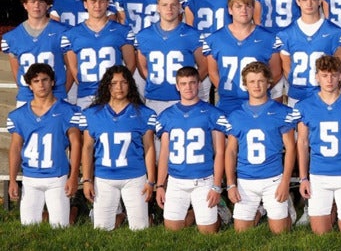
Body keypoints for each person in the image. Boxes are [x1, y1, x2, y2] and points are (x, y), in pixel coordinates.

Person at [291, 55, 341, 236]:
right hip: (319, 175)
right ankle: (330, 210)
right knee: (320, 234)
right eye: (324, 75)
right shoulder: (305, 106)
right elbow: (302, 143)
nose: (329, 80)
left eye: (333, 75)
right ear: (316, 77)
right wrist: (303, 178)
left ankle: (338, 209)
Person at [79, 66, 156, 230]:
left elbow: (149, 147)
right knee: (101, 229)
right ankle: (121, 216)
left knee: (140, 229)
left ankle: (146, 217)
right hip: (104, 177)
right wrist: (86, 179)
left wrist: (150, 181)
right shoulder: (92, 114)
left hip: (135, 177)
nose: (119, 87)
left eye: (123, 82)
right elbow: (87, 148)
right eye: (114, 83)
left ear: (130, 85)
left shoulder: (144, 113)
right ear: (107, 86)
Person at [155, 66, 229, 234]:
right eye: (183, 83)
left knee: (208, 232)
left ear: (199, 84)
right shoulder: (167, 115)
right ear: (177, 86)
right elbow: (165, 152)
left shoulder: (213, 113)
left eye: (192, 83)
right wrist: (160, 185)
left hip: (203, 179)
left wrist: (217, 186)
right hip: (176, 180)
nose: (188, 87)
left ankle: (219, 212)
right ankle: (196, 212)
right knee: (172, 230)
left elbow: (220, 152)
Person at [6, 63, 82, 227]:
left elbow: (76, 144)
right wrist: (12, 179)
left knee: (60, 228)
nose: (41, 84)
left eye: (45, 80)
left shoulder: (68, 110)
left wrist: (74, 175)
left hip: (57, 177)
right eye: (36, 81)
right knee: (28, 228)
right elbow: (15, 147)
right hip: (30, 178)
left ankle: (73, 213)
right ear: (30, 85)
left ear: (53, 82)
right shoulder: (18, 115)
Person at [225, 61, 296, 234]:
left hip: (273, 178)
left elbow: (291, 149)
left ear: (268, 83)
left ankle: (288, 208)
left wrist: (285, 182)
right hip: (246, 180)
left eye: (260, 81)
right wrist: (230, 184)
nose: (256, 85)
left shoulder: (282, 112)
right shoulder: (236, 115)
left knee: (280, 232)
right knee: (241, 233)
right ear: (245, 85)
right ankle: (261, 210)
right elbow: (231, 151)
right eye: (252, 81)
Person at [204, 0, 281, 114]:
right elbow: (212, 71)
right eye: (238, 6)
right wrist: (226, 90)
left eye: (248, 5)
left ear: (253, 9)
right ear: (230, 10)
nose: (244, 10)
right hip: (227, 102)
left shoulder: (269, 38)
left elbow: (276, 72)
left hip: (259, 102)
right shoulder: (214, 39)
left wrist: (259, 91)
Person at [63, 0, 136, 109]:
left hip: (114, 94)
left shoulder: (122, 31)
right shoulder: (71, 34)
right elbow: (73, 68)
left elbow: (130, 64)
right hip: (86, 95)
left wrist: (118, 87)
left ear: (108, 3)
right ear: (85, 4)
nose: (97, 6)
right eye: (93, 1)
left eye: (102, 1)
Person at [275, 0, 341, 106]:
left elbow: (340, 67)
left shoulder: (335, 32)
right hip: (297, 96)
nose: (309, 4)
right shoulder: (285, 34)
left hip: (325, 96)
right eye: (304, 0)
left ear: (320, 0)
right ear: (298, 2)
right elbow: (287, 68)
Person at [135, 0, 206, 115]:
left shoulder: (192, 35)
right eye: (165, 5)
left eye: (173, 5)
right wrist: (156, 82)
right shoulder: (144, 35)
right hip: (155, 98)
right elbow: (142, 67)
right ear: (158, 7)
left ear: (179, 7)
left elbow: (204, 66)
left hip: (183, 100)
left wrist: (188, 86)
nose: (169, 9)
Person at [2, 0, 70, 106]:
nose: (37, 5)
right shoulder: (12, 37)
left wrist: (63, 90)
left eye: (41, 1)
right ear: (25, 5)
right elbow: (17, 71)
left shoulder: (63, 32)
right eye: (32, 1)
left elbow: (71, 67)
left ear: (48, 5)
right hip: (27, 97)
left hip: (56, 94)